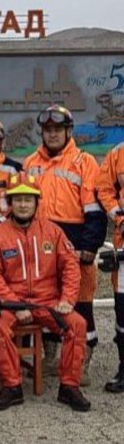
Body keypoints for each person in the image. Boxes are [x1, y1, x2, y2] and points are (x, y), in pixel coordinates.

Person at [0, 173, 90, 412]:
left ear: (36, 202)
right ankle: (12, 387)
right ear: (10, 203)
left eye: (28, 199)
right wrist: (14, 304)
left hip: (47, 301)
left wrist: (67, 300)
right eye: (18, 199)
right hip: (11, 304)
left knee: (77, 325)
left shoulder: (53, 232)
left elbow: (71, 266)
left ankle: (69, 387)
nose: (23, 204)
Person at [24, 104, 106, 383]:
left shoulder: (84, 162)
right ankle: (51, 355)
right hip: (41, 239)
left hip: (76, 239)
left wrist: (90, 247)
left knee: (81, 302)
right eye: (48, 130)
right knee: (48, 299)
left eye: (58, 130)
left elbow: (95, 211)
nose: (53, 135)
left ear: (68, 131)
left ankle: (82, 359)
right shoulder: (31, 163)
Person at [97, 140, 124, 392]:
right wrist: (119, 216)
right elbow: (104, 189)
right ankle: (123, 369)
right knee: (123, 312)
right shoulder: (116, 153)